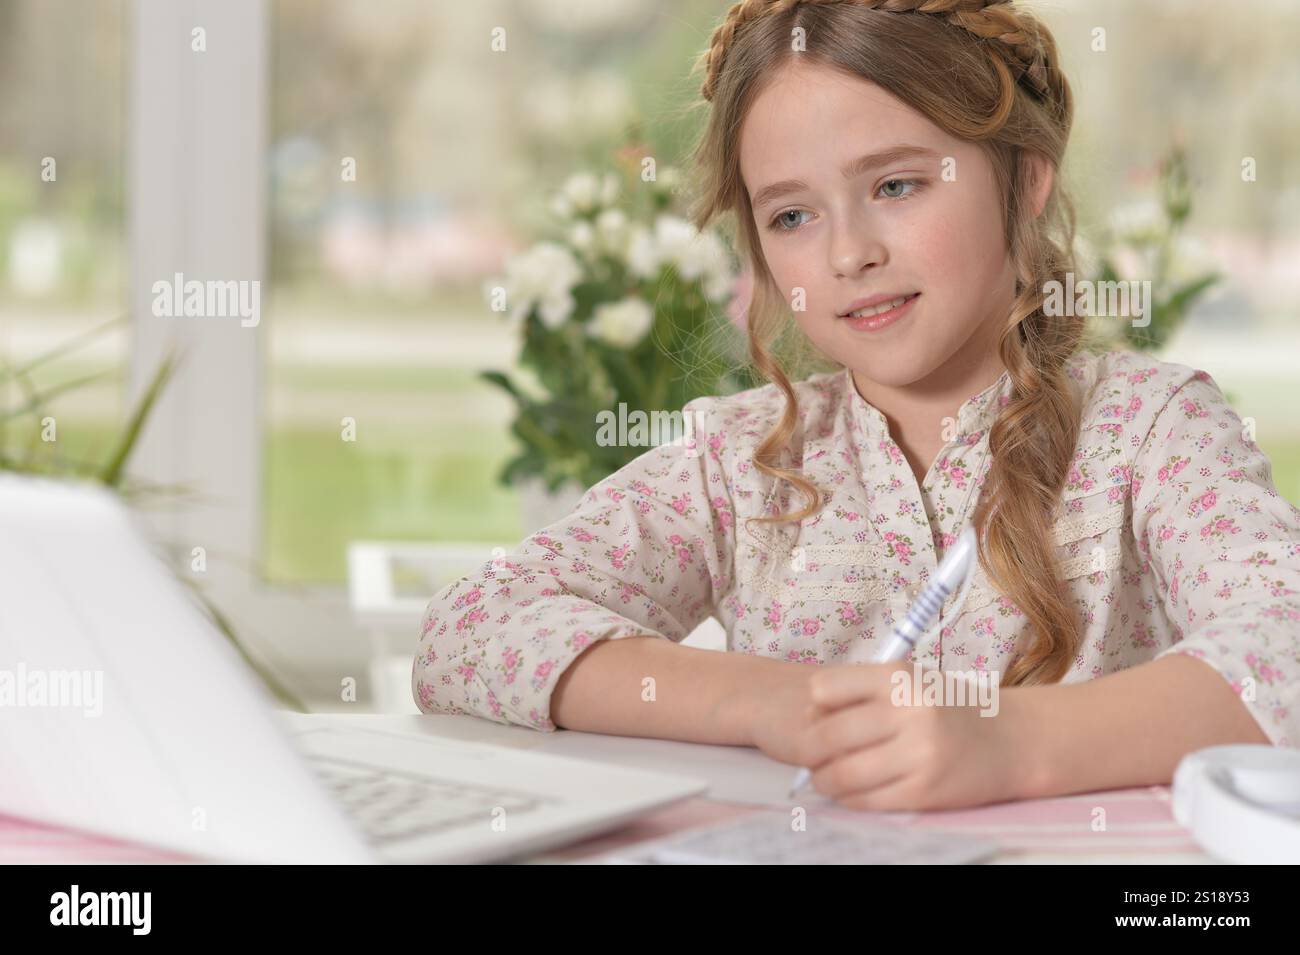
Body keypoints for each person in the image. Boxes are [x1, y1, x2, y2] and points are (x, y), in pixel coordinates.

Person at [413, 0, 1300, 811]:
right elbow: (468, 629)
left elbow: (1284, 643)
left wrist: (1009, 743)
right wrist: (779, 702)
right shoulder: (740, 461)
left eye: (896, 186)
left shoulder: (1153, 430)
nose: (847, 254)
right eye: (792, 216)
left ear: (1026, 178)